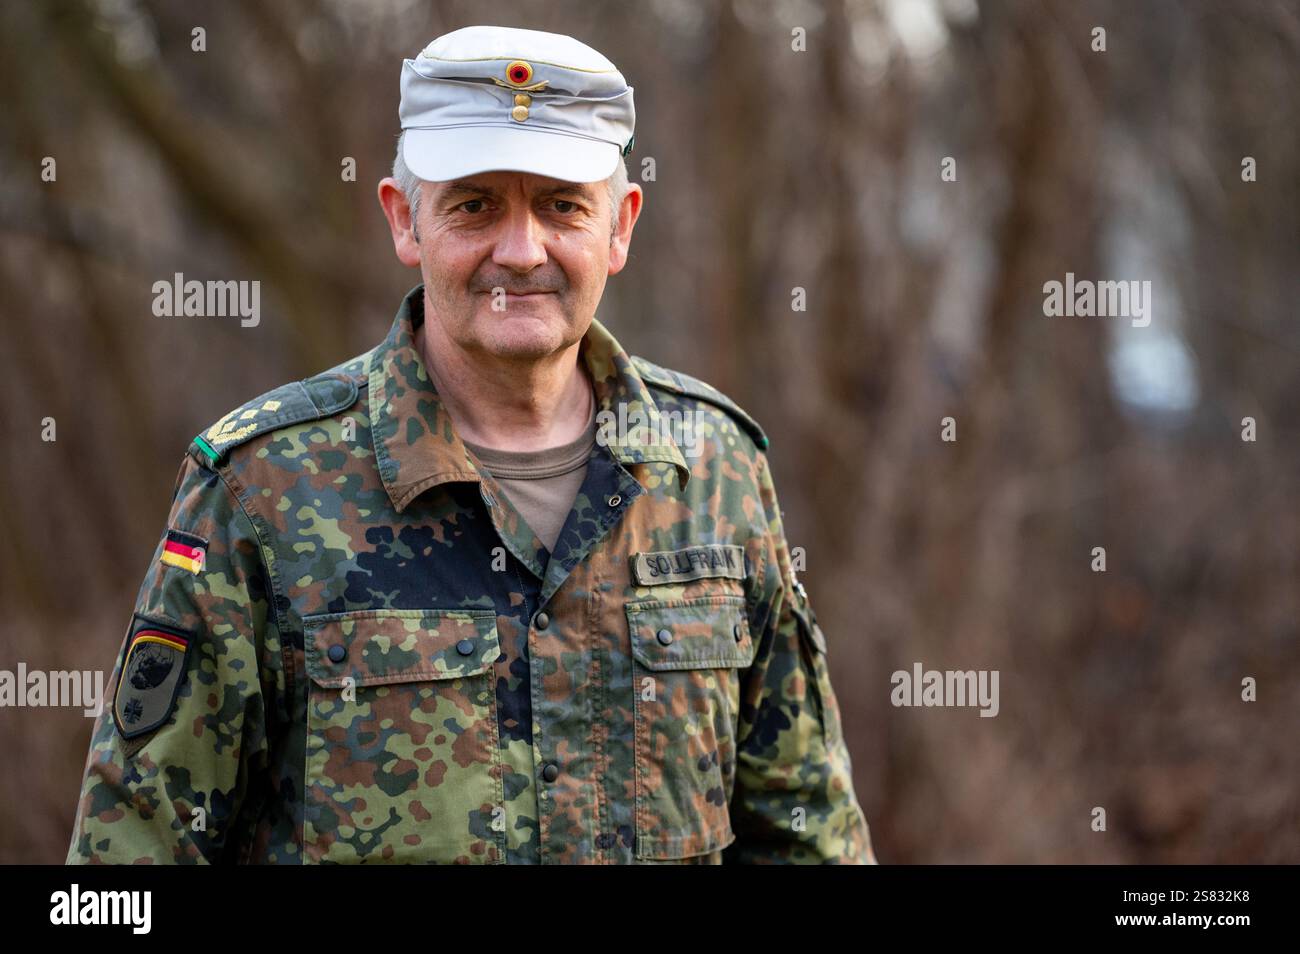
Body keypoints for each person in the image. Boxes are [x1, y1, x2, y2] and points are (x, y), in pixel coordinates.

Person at [66, 24, 875, 864]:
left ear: (621, 227)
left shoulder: (714, 469)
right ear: (405, 220)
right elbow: (124, 869)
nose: (521, 252)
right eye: (475, 204)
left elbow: (807, 837)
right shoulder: (261, 490)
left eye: (563, 205)